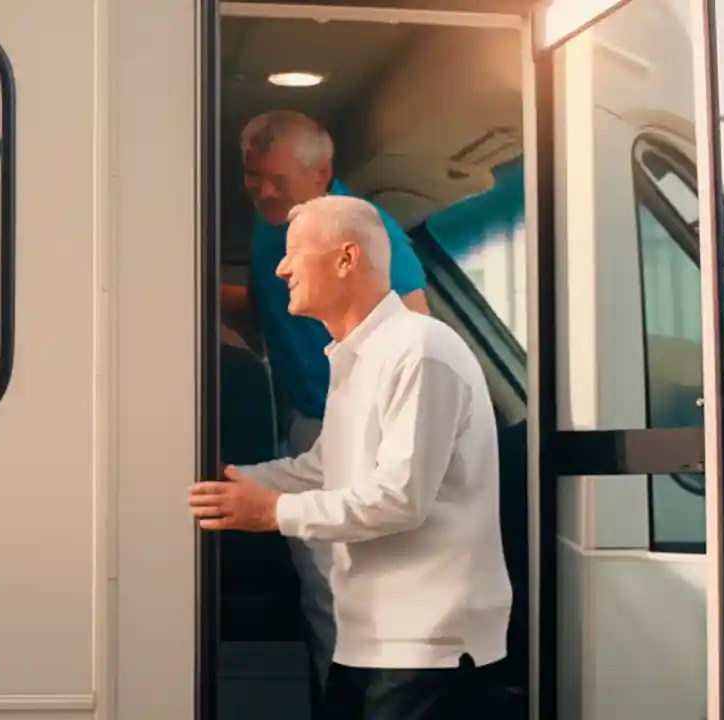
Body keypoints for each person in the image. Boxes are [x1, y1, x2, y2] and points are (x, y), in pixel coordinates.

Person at [192, 195, 512, 719]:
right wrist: (226, 483)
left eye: (295, 252)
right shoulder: (357, 359)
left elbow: (400, 499)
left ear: (346, 259)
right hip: (370, 639)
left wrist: (272, 513)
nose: (280, 267)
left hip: (428, 647)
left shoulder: (420, 351)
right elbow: (321, 470)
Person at [221, 109, 431, 703]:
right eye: (252, 176)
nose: (261, 190)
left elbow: (415, 327)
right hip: (309, 424)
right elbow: (268, 305)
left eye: (275, 180)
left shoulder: (365, 231)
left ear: (321, 175)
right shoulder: (273, 226)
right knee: (319, 590)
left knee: (354, 589)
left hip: (364, 429)